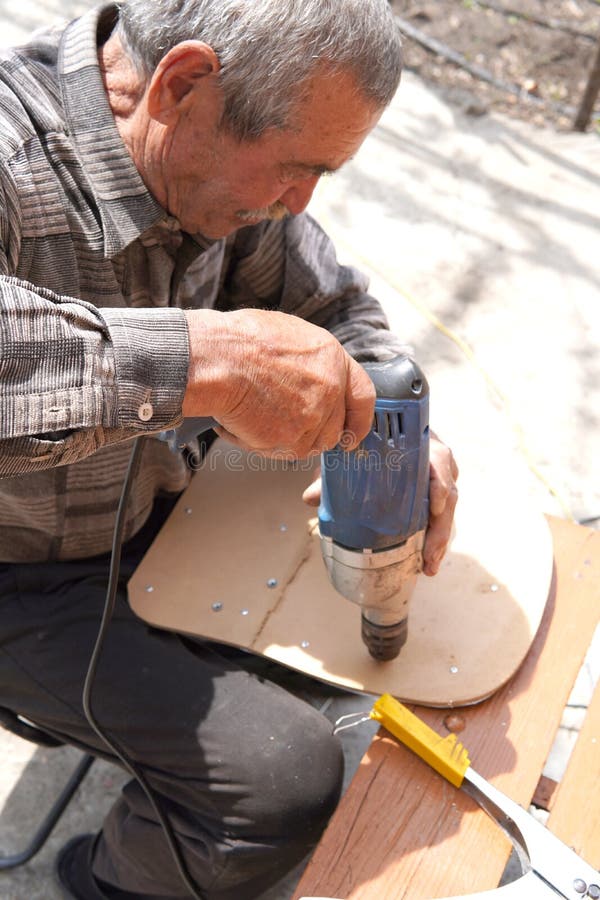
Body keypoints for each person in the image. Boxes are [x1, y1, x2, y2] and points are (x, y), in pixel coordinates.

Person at [0, 1, 458, 897]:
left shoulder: (220, 170)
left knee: (392, 698)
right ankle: (108, 884)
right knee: (278, 782)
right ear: (182, 86)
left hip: (170, 512)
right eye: (296, 168)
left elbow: (333, 309)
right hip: (24, 573)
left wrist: (393, 416)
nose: (299, 201)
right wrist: (206, 360)